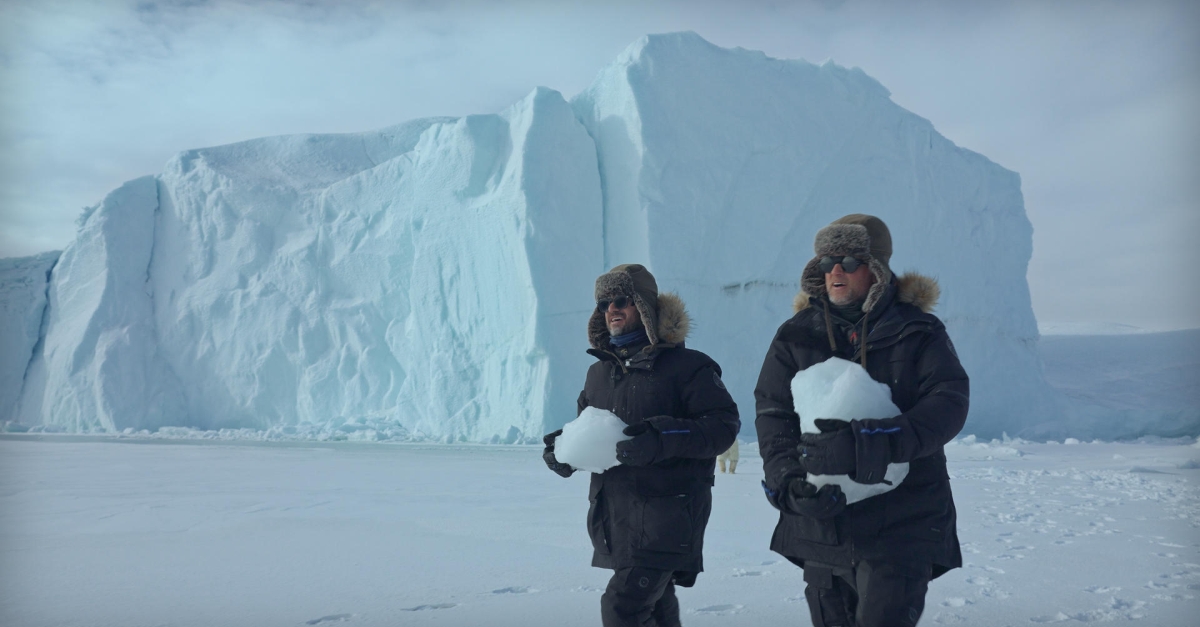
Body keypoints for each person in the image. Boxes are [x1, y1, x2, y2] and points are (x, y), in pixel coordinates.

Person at [754, 214, 969, 627]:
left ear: (877, 269)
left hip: (903, 522)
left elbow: (948, 402)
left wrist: (868, 443)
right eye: (826, 261)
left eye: (850, 261)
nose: (835, 270)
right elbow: (773, 413)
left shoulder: (919, 330)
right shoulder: (795, 334)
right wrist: (788, 481)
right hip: (822, 524)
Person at [543, 263, 740, 627]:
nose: (611, 310)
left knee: (623, 608)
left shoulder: (688, 366)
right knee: (657, 607)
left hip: (668, 516)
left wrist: (661, 438)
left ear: (645, 308)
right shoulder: (599, 372)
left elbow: (722, 426)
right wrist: (565, 452)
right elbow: (589, 430)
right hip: (614, 515)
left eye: (621, 300)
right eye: (603, 304)